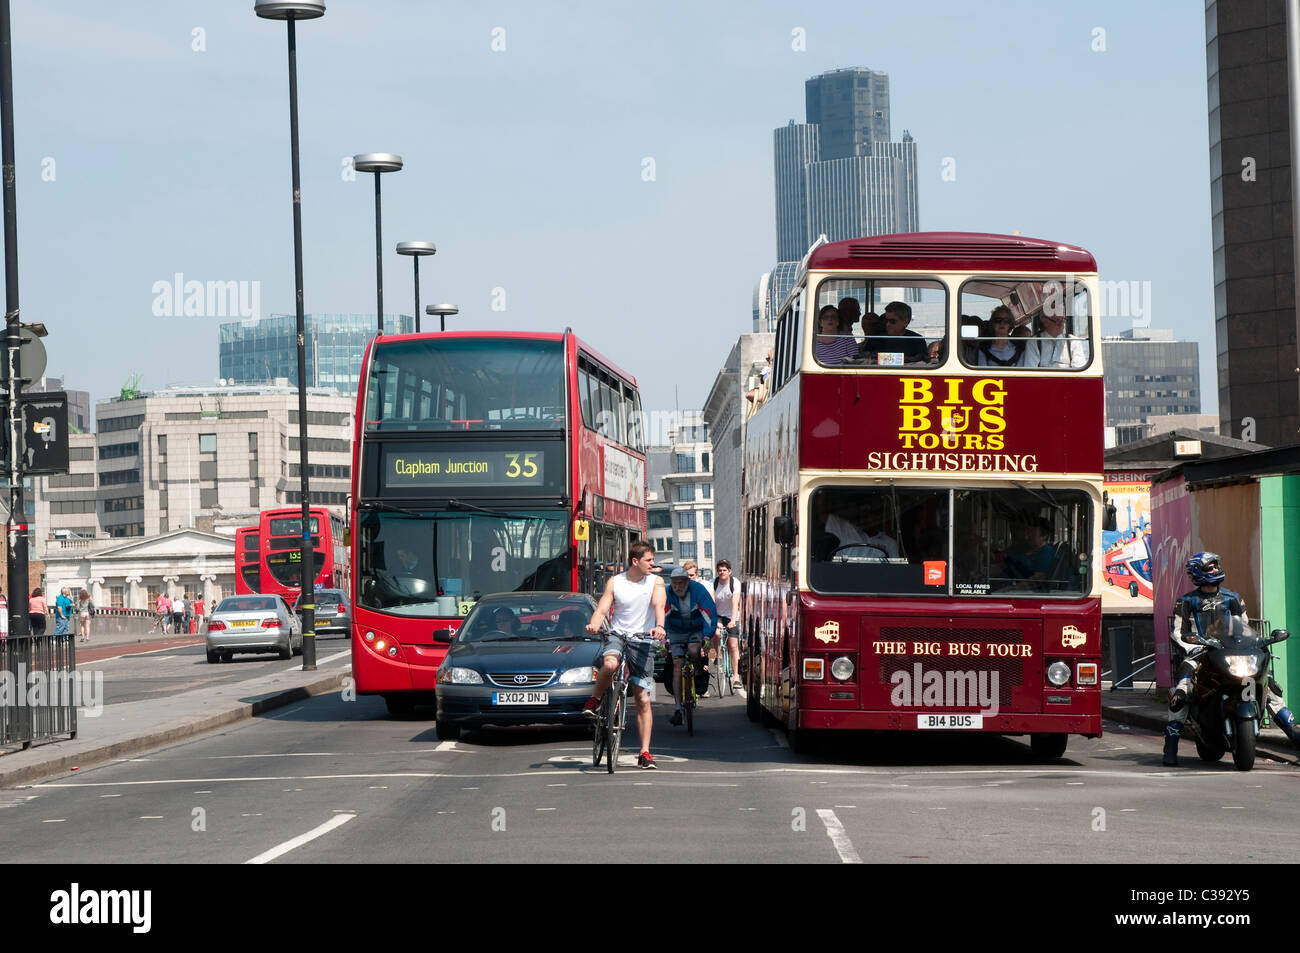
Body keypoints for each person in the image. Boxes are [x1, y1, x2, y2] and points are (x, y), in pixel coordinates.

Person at [1163, 552, 1299, 766]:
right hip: (1200, 655)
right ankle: (1170, 747)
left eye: (1216, 565)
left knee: (1269, 687)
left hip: (1231, 655)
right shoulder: (1186, 601)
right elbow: (1177, 632)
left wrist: (1255, 643)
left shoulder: (1233, 598)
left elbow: (1244, 628)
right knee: (1183, 691)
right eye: (1210, 567)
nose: (1215, 569)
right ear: (1197, 572)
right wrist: (1191, 648)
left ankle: (1295, 736)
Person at [582, 541, 667, 769]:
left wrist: (659, 626)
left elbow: (659, 606)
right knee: (609, 664)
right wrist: (593, 624)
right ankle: (596, 699)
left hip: (644, 639)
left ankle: (645, 753)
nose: (653, 564)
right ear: (635, 561)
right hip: (618, 635)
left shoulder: (656, 582)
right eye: (649, 560)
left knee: (643, 699)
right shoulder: (616, 582)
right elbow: (601, 610)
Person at [664, 566, 717, 725]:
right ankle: (678, 708)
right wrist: (662, 640)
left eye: (681, 583)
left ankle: (699, 670)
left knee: (694, 650)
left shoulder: (698, 590)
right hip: (676, 631)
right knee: (677, 666)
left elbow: (709, 614)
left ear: (688, 582)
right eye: (675, 584)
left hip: (696, 629)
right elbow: (661, 616)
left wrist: (707, 637)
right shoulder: (667, 593)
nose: (678, 587)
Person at [712, 559, 743, 692]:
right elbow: (711, 602)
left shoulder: (734, 583)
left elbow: (735, 602)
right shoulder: (713, 583)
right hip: (718, 614)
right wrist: (714, 621)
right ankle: (718, 654)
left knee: (733, 646)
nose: (722, 572)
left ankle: (736, 677)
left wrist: (732, 621)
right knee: (716, 632)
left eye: (724, 570)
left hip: (732, 615)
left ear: (729, 571)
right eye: (720, 570)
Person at [1023, 309, 1088, 369]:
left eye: (1063, 320)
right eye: (1057, 321)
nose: (1062, 325)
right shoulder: (1034, 342)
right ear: (1044, 321)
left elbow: (1079, 369)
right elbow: (1031, 371)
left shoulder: (1073, 342)